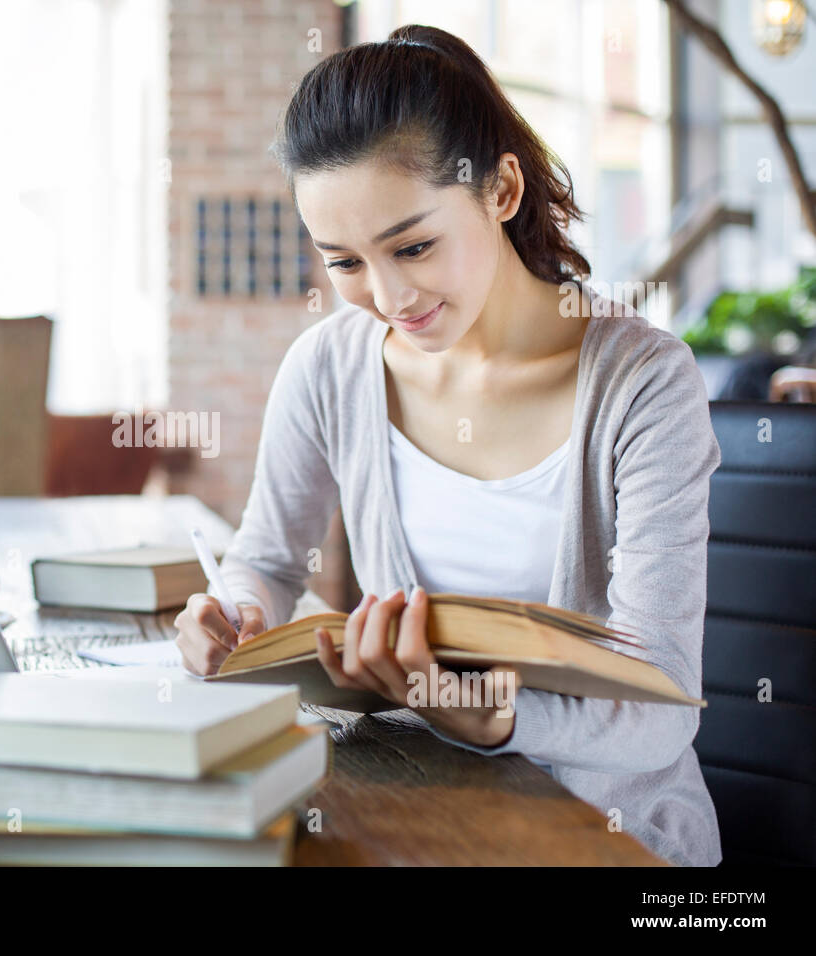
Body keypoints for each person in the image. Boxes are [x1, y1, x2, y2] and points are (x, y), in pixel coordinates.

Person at [173, 26, 723, 867]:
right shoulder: (328, 367)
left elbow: (662, 706)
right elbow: (269, 562)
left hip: (614, 839)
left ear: (500, 188)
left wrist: (491, 715)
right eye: (345, 262)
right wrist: (240, 615)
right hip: (421, 816)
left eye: (414, 246)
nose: (390, 296)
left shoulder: (644, 384)